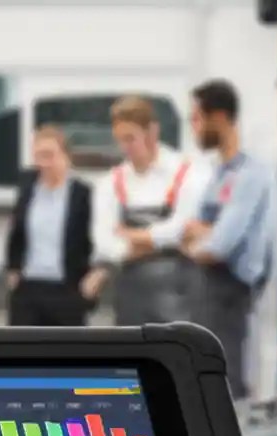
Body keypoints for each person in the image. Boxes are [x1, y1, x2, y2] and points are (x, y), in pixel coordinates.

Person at [182, 80, 276, 401]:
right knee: (204, 379)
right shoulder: (218, 174)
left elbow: (218, 245)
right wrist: (201, 234)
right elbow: (192, 229)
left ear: (219, 118)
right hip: (208, 289)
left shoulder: (251, 174)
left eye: (196, 118)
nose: (193, 127)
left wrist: (201, 236)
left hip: (231, 289)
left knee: (227, 384)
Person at [87, 95, 211, 325]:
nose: (125, 147)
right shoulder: (110, 183)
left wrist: (134, 235)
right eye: (119, 139)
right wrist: (165, 242)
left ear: (152, 131)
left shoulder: (187, 173)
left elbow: (185, 228)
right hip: (130, 300)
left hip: (181, 299)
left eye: (130, 138)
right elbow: (104, 242)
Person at [5, 125, 94, 326]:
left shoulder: (82, 194)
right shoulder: (28, 189)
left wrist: (90, 280)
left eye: (49, 155)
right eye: (38, 156)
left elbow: (90, 238)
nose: (44, 163)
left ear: (66, 157)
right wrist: (12, 269)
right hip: (28, 286)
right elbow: (17, 231)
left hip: (66, 286)